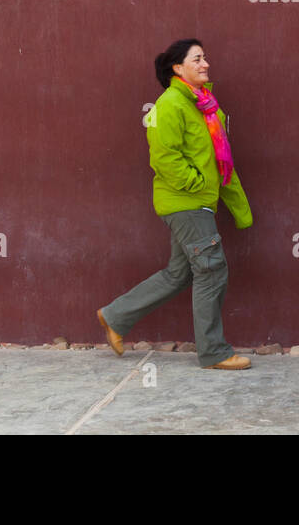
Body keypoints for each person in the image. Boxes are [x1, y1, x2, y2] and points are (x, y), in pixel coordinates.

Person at [97, 38, 254, 370]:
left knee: (179, 273)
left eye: (205, 57)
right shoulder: (170, 104)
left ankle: (115, 316)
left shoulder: (204, 105)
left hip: (198, 201)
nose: (205, 64)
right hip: (187, 203)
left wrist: (238, 207)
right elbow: (164, 157)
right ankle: (214, 352)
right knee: (211, 270)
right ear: (177, 68)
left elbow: (219, 161)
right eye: (197, 59)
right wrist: (197, 184)